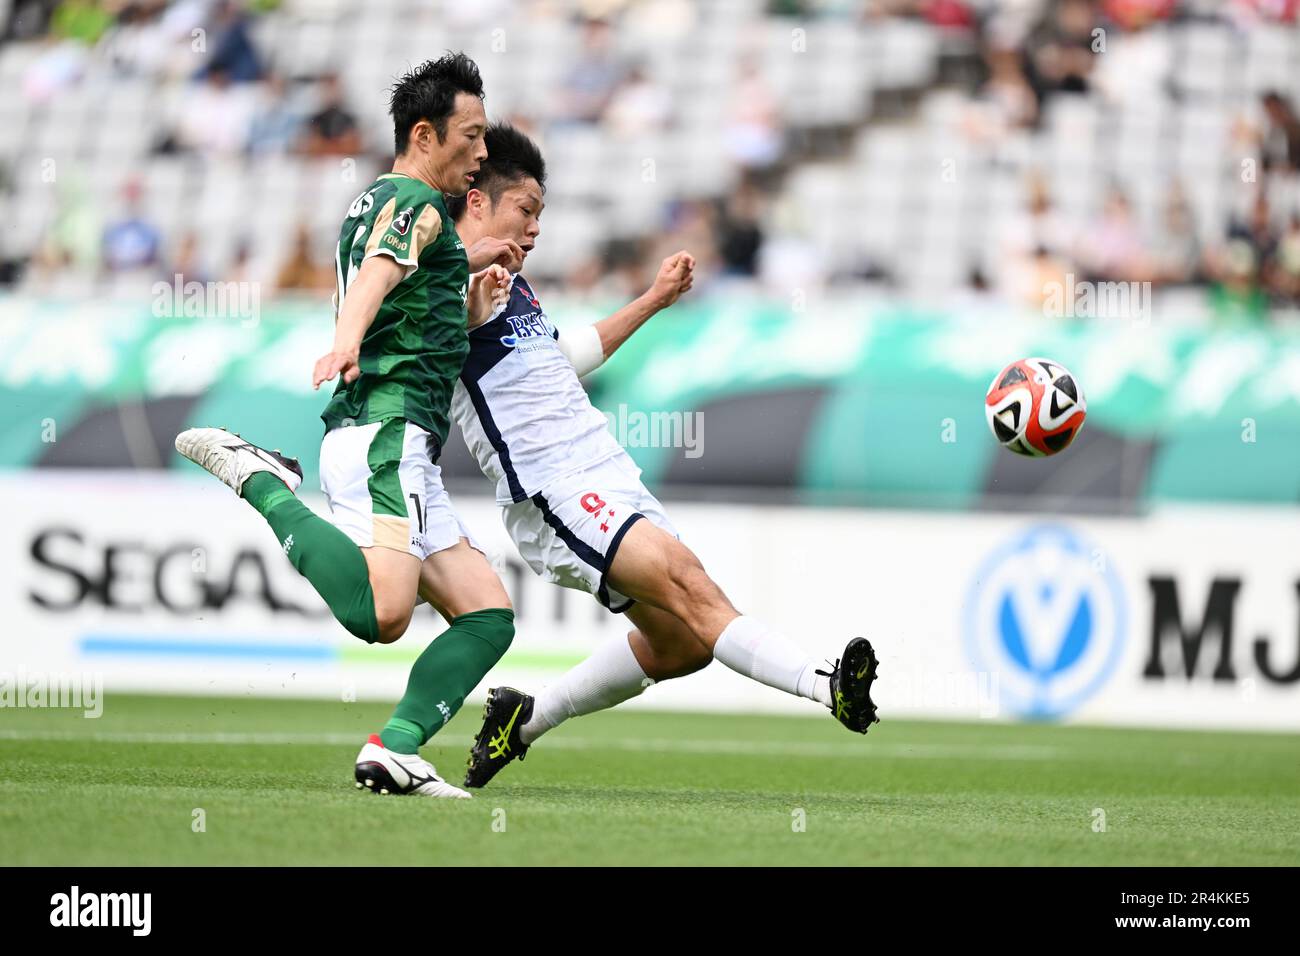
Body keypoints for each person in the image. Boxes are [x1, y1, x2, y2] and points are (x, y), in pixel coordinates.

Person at [444, 124, 881, 789]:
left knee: (682, 645)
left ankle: (521, 722)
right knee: (688, 579)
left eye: (540, 215)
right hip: (552, 489)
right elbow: (443, 303)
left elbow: (561, 360)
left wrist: (651, 300)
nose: (534, 229)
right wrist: (470, 273)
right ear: (478, 201)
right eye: (524, 211)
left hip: (603, 470)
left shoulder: (514, 286)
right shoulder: (456, 280)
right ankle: (828, 688)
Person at [175, 54, 520, 799]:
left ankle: (393, 748)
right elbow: (376, 278)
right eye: (471, 135)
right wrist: (346, 339)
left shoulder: (391, 203)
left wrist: (468, 279)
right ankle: (263, 482)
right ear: (425, 135)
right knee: (385, 615)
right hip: (383, 429)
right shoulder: (417, 203)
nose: (483, 152)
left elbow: (407, 286)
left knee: (487, 614)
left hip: (406, 448)